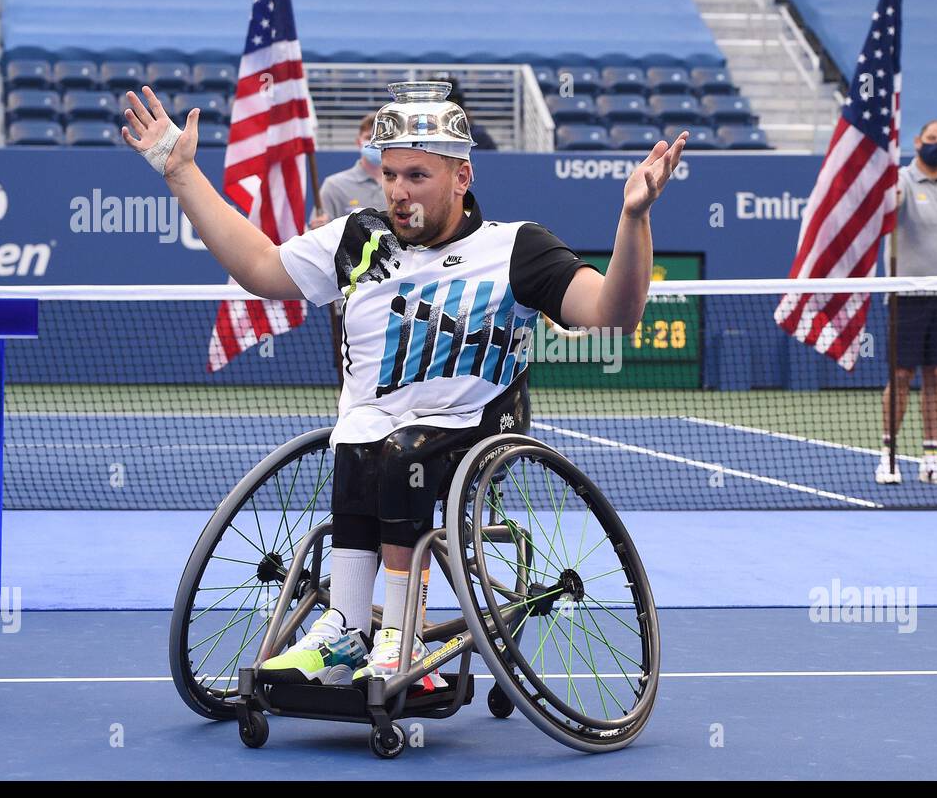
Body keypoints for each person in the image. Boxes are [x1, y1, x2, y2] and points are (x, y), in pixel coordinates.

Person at [122, 80, 687, 687]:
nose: (398, 192)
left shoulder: (517, 248)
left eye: (417, 176)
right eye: (390, 175)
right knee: (360, 437)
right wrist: (181, 174)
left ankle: (396, 635)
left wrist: (635, 216)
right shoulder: (359, 239)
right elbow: (260, 268)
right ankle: (345, 627)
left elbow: (614, 312)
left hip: (472, 431)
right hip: (372, 432)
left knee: (398, 452)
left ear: (461, 177)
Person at [877, 119, 937, 486]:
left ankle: (931, 458)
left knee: (936, 374)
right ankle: (888, 456)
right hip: (906, 294)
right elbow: (885, 220)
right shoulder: (899, 180)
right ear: (918, 141)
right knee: (901, 374)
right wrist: (894, 201)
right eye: (932, 139)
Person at [308, 113, 386, 229]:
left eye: (381, 138)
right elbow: (315, 234)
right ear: (358, 142)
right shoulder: (334, 186)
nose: (375, 144)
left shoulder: (402, 184)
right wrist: (316, 229)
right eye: (369, 138)